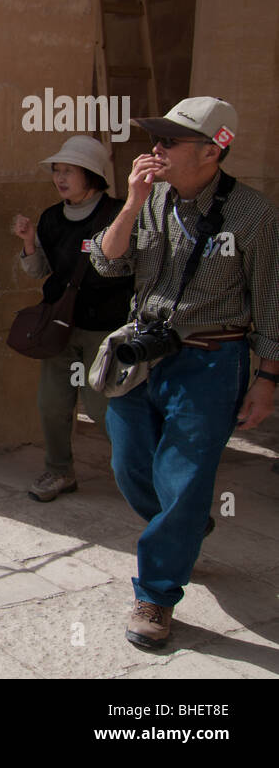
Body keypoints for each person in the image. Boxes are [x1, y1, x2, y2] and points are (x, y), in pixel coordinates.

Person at [89, 96, 279, 650]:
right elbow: (105, 262)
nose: (157, 148)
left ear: (215, 147)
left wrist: (267, 379)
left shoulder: (254, 214)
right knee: (129, 466)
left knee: (186, 477)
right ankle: (187, 525)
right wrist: (130, 203)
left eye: (170, 140)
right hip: (142, 355)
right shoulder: (149, 199)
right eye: (158, 138)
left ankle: (156, 593)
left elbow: (270, 301)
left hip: (212, 360)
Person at [12, 135, 133, 501]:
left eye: (69, 171)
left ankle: (140, 474)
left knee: (103, 408)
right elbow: (40, 272)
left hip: (104, 329)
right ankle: (59, 471)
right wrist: (29, 241)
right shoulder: (51, 217)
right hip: (59, 329)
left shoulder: (117, 213)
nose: (60, 178)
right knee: (52, 404)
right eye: (56, 171)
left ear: (92, 175)